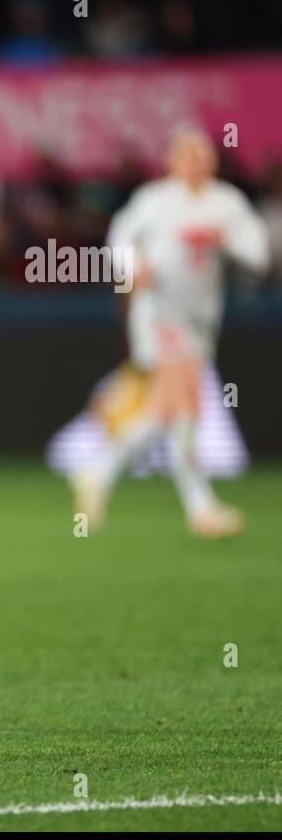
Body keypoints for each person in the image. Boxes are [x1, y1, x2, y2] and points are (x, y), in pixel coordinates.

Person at [71, 126, 270, 536]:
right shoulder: (155, 200)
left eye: (201, 154)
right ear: (172, 161)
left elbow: (259, 254)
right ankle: (201, 508)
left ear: (212, 160)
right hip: (159, 313)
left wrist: (225, 238)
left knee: (165, 414)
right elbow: (119, 237)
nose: (194, 162)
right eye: (186, 154)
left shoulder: (226, 203)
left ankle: (97, 471)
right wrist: (132, 268)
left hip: (199, 319)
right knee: (187, 406)